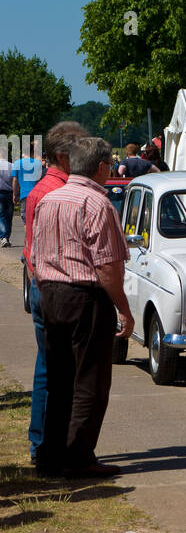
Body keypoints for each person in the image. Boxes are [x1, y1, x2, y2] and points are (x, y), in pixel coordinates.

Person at [31, 136, 133, 479]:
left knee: (58, 379)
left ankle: (50, 456)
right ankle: (77, 457)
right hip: (85, 295)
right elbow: (108, 266)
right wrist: (123, 308)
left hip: (51, 293)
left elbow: (35, 253)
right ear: (102, 167)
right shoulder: (97, 203)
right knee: (90, 380)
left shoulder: (49, 199)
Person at [23, 120, 87, 463]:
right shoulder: (52, 192)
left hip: (44, 285)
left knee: (50, 368)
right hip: (52, 288)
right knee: (54, 371)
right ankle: (46, 445)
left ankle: (45, 443)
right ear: (63, 156)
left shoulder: (45, 189)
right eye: (79, 150)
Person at [12, 140, 43, 224]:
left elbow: (15, 181)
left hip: (24, 194)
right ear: (32, 152)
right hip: (36, 194)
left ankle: (27, 232)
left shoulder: (17, 163)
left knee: (26, 219)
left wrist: (14, 194)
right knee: (36, 218)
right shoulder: (38, 163)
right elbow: (39, 180)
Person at [0, 145, 13, 246]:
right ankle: (6, 237)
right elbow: (15, 180)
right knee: (9, 216)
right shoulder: (12, 165)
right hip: (10, 193)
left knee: (1, 215)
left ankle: (3, 237)